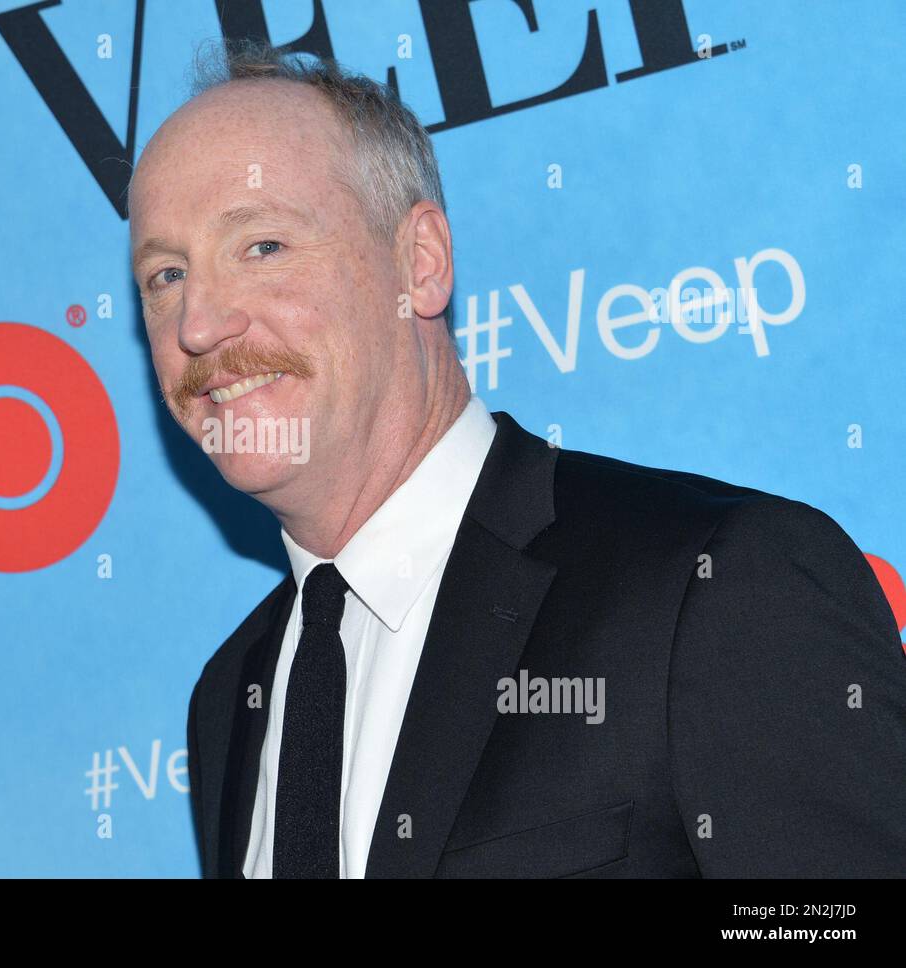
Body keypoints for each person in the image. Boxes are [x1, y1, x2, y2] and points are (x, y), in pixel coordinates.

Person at [127, 40, 906, 878]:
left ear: (419, 263)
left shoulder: (714, 584)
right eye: (166, 274)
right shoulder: (232, 697)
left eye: (263, 248)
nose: (197, 325)